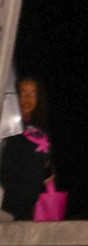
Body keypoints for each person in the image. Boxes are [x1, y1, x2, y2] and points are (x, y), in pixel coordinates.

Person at [0, 77, 55, 221]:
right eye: (23, 93)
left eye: (32, 93)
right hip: (14, 203)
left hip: (38, 201)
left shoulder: (40, 126)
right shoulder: (8, 125)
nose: (28, 98)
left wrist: (49, 172)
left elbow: (46, 161)